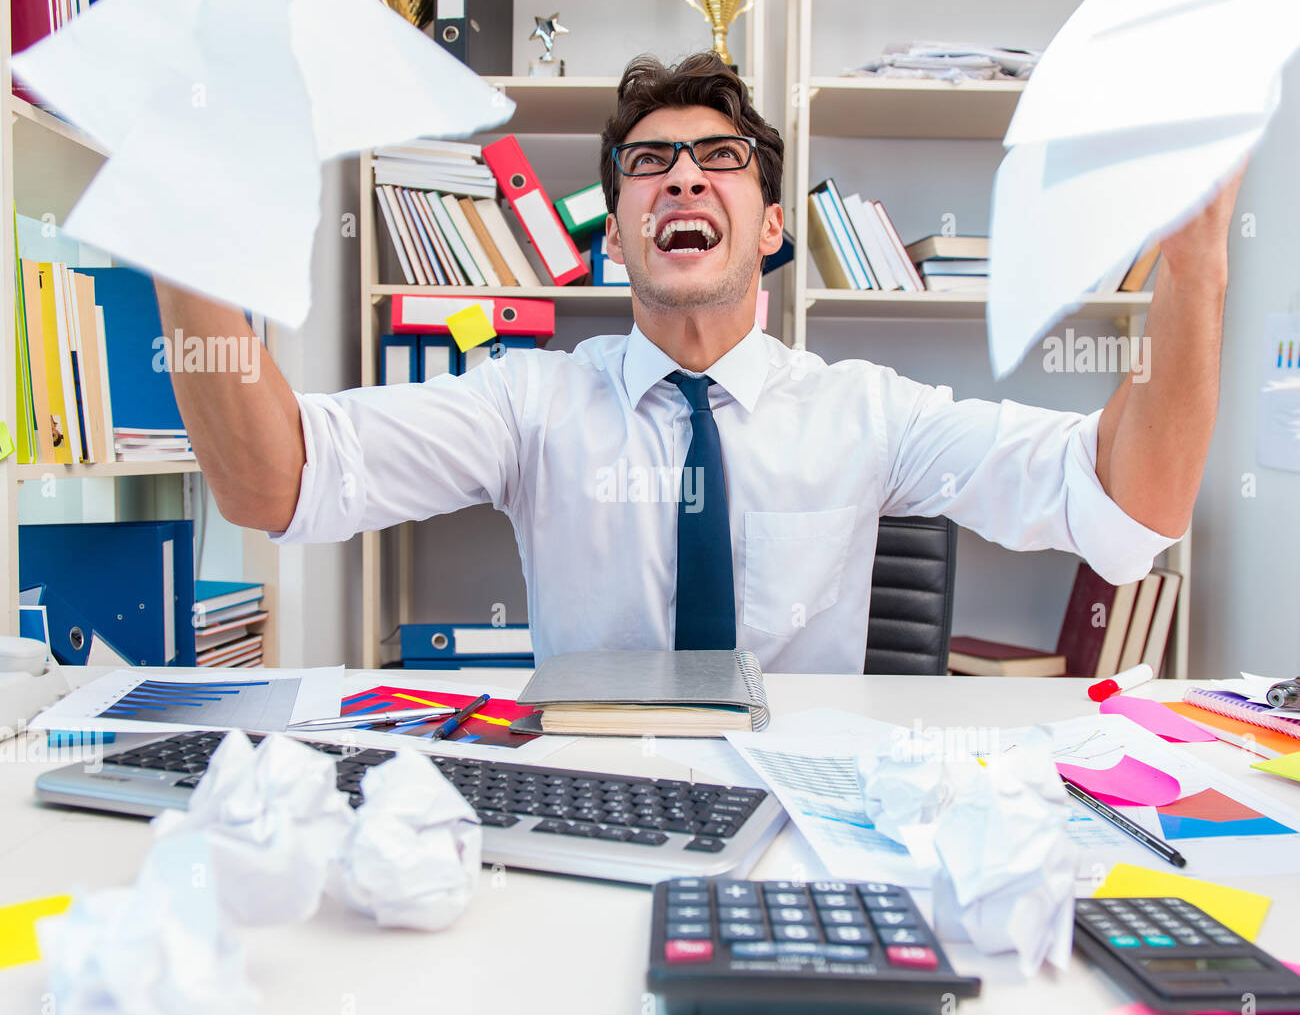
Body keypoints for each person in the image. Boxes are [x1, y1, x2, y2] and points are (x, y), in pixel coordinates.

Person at [160, 52, 1241, 672]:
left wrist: (1195, 263)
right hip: (591, 812)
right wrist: (188, 233)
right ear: (617, 231)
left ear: (771, 226)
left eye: (718, 161)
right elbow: (276, 480)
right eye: (647, 167)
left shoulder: (866, 412)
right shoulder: (529, 403)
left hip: (807, 814)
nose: (681, 181)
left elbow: (1128, 509)